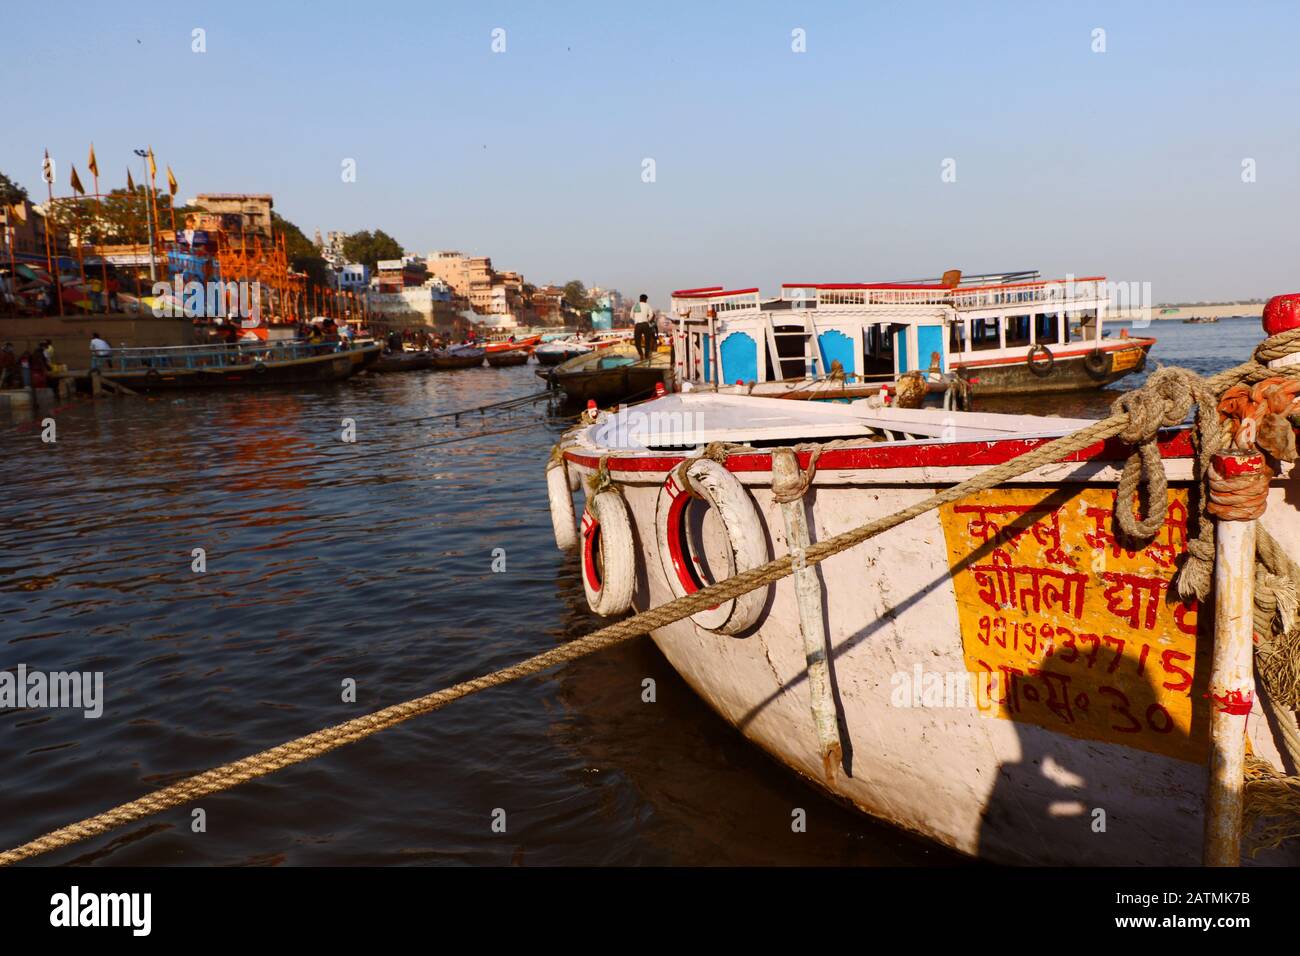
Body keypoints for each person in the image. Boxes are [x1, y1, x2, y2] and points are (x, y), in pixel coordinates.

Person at [632, 293, 656, 360]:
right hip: (645, 325)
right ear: (646, 300)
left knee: (637, 342)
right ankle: (646, 355)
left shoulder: (635, 306)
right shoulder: (648, 306)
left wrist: (636, 320)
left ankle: (641, 354)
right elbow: (651, 315)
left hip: (638, 325)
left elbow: (631, 316)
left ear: (640, 299)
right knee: (647, 341)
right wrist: (647, 320)